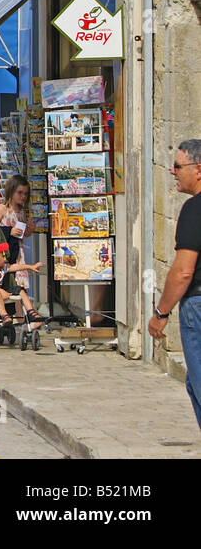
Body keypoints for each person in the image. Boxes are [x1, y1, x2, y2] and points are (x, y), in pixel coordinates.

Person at [149, 139, 201, 429]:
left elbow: (183, 271)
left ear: (198, 170)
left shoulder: (195, 209)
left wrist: (161, 313)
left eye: (179, 166)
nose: (173, 172)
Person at [0, 241, 43, 331]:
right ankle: (4, 316)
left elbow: (14, 267)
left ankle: (31, 312)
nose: (5, 258)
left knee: (20, 290)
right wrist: (1, 291)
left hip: (0, 290)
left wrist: (30, 266)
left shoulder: (1, 268)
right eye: (2, 256)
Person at [0, 175, 31, 266]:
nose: (23, 196)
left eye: (26, 193)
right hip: (3, 255)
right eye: (20, 193)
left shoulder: (22, 212)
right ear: (11, 192)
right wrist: (9, 231)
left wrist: (30, 228)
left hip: (18, 254)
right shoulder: (2, 209)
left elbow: (23, 234)